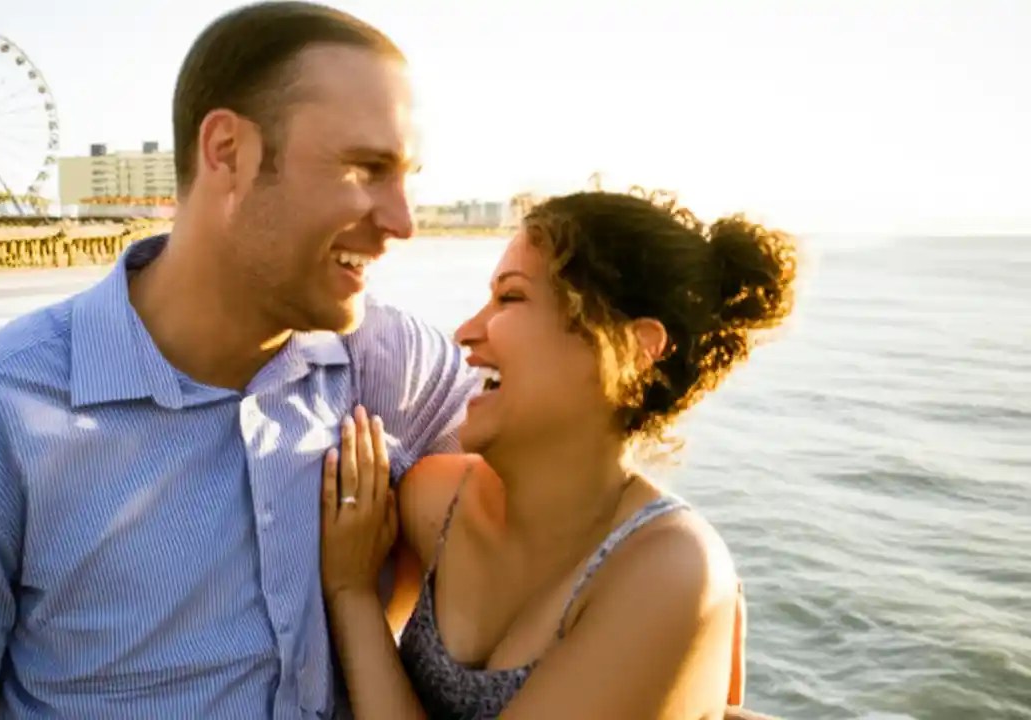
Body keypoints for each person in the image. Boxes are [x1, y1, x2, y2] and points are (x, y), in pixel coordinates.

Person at [0, 3, 478, 718]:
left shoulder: (391, 369)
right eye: (365, 168)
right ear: (228, 151)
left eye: (407, 175)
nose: (404, 222)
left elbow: (578, 494)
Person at [320, 189, 799, 719]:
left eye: (512, 298)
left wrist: (353, 597)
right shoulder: (433, 502)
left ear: (631, 349)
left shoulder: (667, 570)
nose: (466, 331)